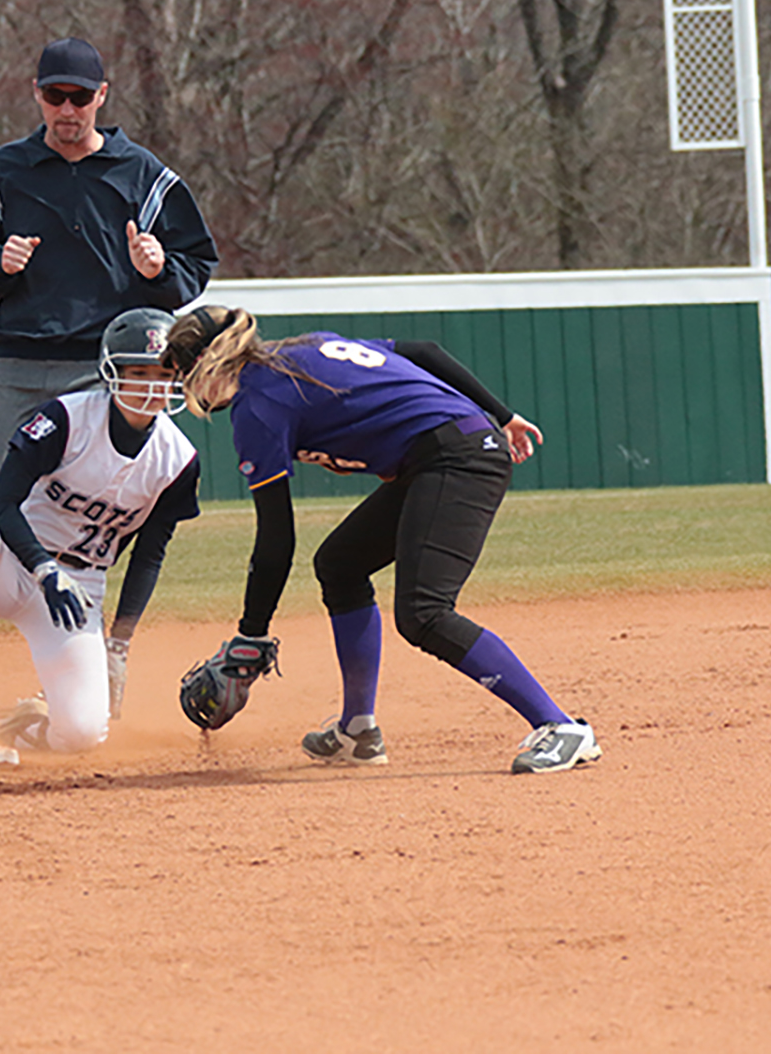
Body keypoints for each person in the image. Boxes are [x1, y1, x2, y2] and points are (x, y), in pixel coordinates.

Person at [161, 305, 601, 775]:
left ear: (204, 365)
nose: (182, 388)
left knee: (425, 614)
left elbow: (276, 537)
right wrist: (502, 414)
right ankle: (358, 730)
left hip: (456, 460)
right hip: (445, 453)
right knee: (340, 564)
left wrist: (251, 633)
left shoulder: (259, 407)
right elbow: (423, 351)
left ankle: (560, 726)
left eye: (181, 373)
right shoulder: (303, 348)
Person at [0, 308, 200, 753]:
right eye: (138, 371)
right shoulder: (66, 418)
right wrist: (43, 568)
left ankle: (25, 730)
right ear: (111, 371)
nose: (152, 384)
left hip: (78, 593)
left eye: (163, 373)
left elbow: (149, 555)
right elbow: (0, 504)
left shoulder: (178, 459)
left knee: (83, 734)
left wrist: (118, 644)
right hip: (13, 565)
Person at [0, 35, 217, 485]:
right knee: (5, 508)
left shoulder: (145, 175)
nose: (67, 110)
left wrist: (158, 270)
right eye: (55, 96)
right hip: (19, 367)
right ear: (36, 92)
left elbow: (197, 265)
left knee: (99, 504)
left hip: (108, 368)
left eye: (81, 97)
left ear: (102, 95)